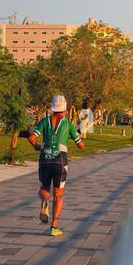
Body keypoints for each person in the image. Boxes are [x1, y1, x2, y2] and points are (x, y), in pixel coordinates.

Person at [29, 94, 84, 237]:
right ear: (65, 109)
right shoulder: (68, 124)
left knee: (43, 190)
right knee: (58, 195)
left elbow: (32, 137)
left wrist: (36, 146)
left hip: (45, 160)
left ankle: (45, 199)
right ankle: (54, 227)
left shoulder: (44, 121)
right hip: (60, 160)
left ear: (52, 108)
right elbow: (81, 146)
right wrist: (80, 139)